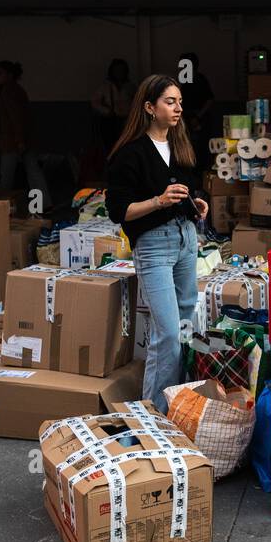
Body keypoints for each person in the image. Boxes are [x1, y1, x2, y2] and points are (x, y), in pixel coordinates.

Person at [105, 75, 208, 412]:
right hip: (154, 246)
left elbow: (188, 190)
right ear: (150, 107)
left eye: (179, 101)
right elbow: (119, 211)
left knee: (182, 330)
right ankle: (150, 415)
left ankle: (176, 405)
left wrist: (196, 204)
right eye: (169, 102)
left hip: (185, 238)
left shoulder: (180, 146)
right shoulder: (129, 154)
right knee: (166, 334)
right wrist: (159, 201)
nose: (178, 108)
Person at [0, 61, 48, 197]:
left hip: (13, 141)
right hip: (23, 139)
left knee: (6, 177)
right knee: (34, 173)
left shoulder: (8, 91)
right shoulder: (17, 90)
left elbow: (15, 118)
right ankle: (44, 204)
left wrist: (19, 141)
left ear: (10, 75)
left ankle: (0, 209)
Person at [177, 52, 215, 168]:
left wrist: (198, 117)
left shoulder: (199, 79)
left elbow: (209, 100)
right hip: (186, 119)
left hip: (198, 118)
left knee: (198, 148)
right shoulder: (183, 81)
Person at [90, 58, 135, 148]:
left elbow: (137, 102)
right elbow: (95, 102)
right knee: (110, 146)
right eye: (117, 70)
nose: (119, 72)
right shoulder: (105, 86)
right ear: (112, 71)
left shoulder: (130, 87)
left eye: (121, 70)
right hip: (109, 121)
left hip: (126, 121)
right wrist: (106, 111)